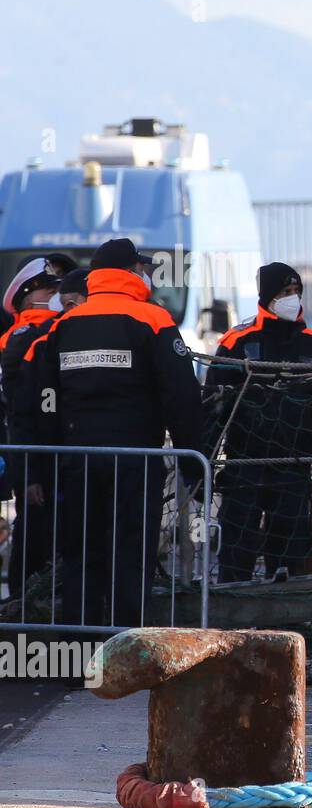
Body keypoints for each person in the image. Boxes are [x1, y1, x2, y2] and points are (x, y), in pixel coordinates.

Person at [28, 239, 203, 625]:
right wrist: (195, 460)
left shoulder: (63, 326)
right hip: (136, 461)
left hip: (78, 462)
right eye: (141, 268)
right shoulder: (153, 319)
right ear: (131, 272)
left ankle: (78, 656)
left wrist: (48, 463)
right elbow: (182, 396)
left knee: (81, 555)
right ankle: (126, 654)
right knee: (131, 555)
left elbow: (46, 401)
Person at [203, 262, 312, 582]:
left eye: (296, 291)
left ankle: (288, 626)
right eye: (285, 292)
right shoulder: (236, 343)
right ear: (266, 296)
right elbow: (213, 410)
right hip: (245, 468)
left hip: (294, 468)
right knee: (236, 554)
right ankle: (232, 623)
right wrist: (203, 465)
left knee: (290, 556)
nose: (292, 298)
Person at [0, 258, 63, 597]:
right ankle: (24, 611)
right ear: (27, 297)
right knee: (34, 540)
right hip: (37, 460)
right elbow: (22, 414)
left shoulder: (62, 330)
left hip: (59, 458)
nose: (57, 296)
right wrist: (29, 475)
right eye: (50, 290)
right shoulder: (22, 339)